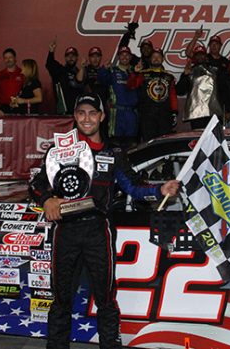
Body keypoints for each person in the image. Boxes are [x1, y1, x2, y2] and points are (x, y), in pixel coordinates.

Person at [29, 93, 180, 349]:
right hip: (65, 231)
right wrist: (46, 200)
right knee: (61, 299)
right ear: (75, 117)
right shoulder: (60, 150)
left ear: (101, 116)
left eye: (92, 113)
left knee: (106, 299)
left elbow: (133, 186)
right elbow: (36, 183)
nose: (86, 119)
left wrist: (159, 190)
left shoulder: (114, 152)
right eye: (81, 113)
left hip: (99, 231)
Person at [127, 49, 177, 142]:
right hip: (147, 114)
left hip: (164, 115)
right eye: (154, 57)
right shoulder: (143, 74)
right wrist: (135, 73)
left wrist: (174, 112)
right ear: (150, 59)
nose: (156, 59)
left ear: (163, 59)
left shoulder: (169, 76)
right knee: (149, 141)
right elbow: (131, 85)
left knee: (164, 141)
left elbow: (172, 95)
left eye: (158, 57)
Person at [177, 43, 224, 129]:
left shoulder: (215, 71)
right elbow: (180, 91)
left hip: (213, 113)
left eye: (202, 55)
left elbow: (223, 90)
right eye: (197, 55)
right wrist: (185, 75)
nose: (200, 57)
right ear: (194, 57)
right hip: (196, 114)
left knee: (214, 140)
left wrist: (228, 109)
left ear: (206, 56)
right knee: (198, 140)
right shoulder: (190, 72)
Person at [98, 46, 139, 144]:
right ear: (118, 57)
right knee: (115, 142)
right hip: (116, 113)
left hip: (131, 113)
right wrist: (104, 69)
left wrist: (137, 73)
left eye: (127, 55)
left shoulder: (135, 72)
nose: (124, 57)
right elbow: (102, 80)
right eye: (122, 55)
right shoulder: (112, 71)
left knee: (131, 143)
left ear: (130, 57)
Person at [46, 42, 83, 114]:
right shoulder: (60, 71)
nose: (71, 58)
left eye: (73, 56)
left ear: (77, 57)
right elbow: (50, 64)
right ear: (65, 58)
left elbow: (80, 81)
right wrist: (51, 51)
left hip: (78, 111)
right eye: (68, 56)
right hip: (63, 111)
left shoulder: (81, 72)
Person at [0, 48, 24, 114]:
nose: (8, 60)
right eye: (5, 58)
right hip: (4, 107)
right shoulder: (0, 74)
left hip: (19, 106)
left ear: (15, 58)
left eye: (10, 57)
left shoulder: (22, 73)